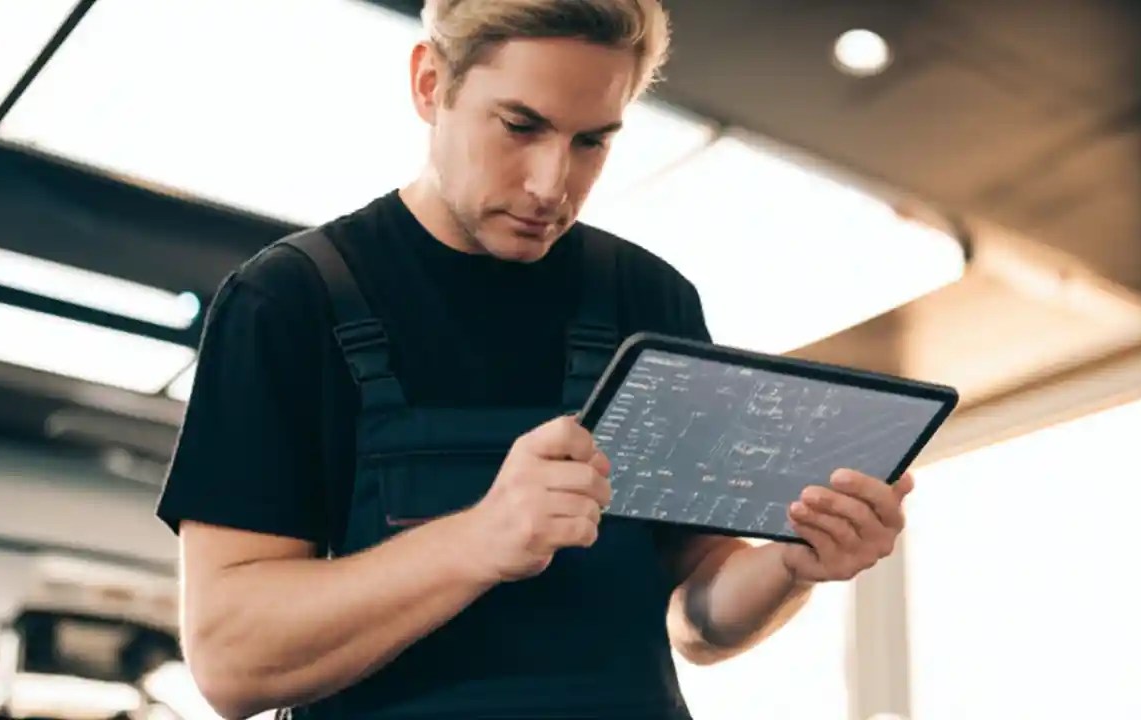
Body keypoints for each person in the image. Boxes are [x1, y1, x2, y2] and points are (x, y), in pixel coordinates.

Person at [155, 1, 914, 718]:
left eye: (593, 141)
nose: (553, 185)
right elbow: (232, 662)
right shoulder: (289, 302)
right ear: (430, 83)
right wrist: (482, 538)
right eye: (521, 126)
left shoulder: (648, 301)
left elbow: (694, 620)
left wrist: (791, 563)